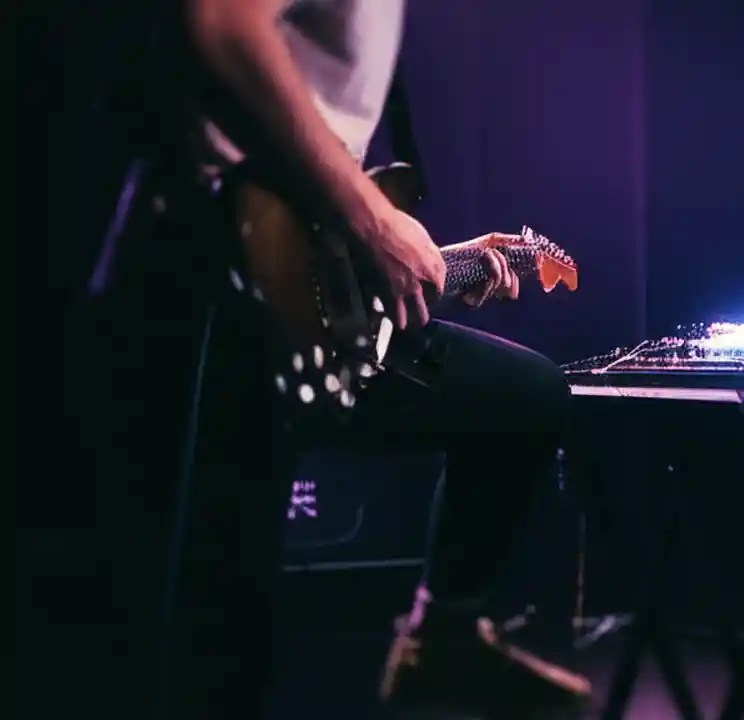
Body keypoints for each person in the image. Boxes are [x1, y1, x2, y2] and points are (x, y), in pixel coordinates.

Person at [130, 0, 591, 716]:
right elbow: (221, 21)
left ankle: (441, 637)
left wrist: (435, 258)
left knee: (525, 396)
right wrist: (374, 220)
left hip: (298, 289)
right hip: (219, 270)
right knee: (219, 629)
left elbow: (319, 182)